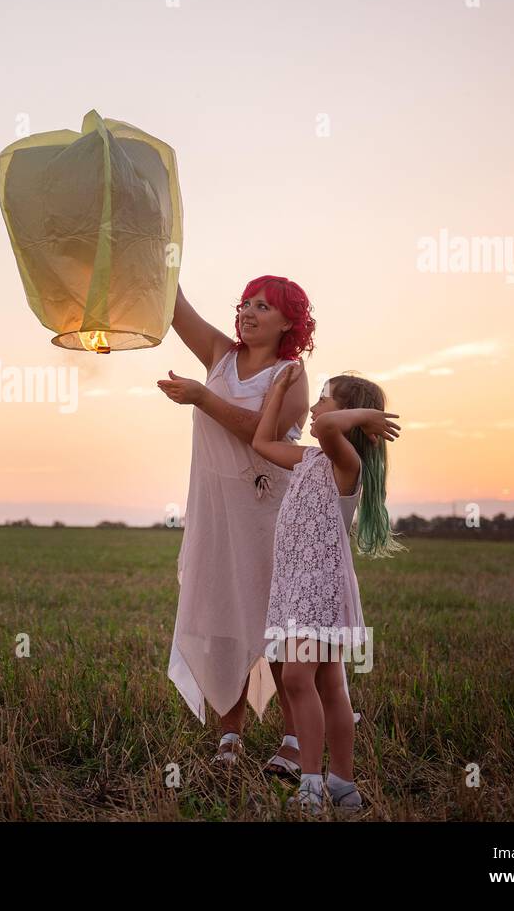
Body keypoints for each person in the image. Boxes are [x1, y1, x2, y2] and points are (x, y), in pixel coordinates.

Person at [157, 275, 313, 770]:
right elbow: (174, 305)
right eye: (244, 304)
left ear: (289, 321)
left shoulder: (291, 372)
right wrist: (161, 253)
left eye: (262, 307)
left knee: (278, 624)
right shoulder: (221, 354)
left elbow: (258, 432)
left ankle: (294, 740)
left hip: (272, 515)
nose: (247, 313)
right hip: (217, 511)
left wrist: (203, 397)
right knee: (224, 617)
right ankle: (230, 736)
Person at [252, 364, 403, 813]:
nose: (316, 406)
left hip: (319, 590)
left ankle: (312, 784)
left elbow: (326, 427)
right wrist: (278, 391)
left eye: (324, 397)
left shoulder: (345, 462)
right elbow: (261, 443)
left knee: (298, 678)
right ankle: (343, 784)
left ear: (350, 419)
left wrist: (357, 417)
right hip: (294, 587)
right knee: (331, 686)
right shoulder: (310, 460)